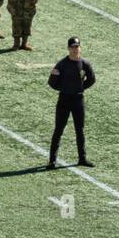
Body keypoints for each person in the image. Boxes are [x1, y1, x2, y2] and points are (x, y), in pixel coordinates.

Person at [47, 36, 96, 169]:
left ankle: (82, 158)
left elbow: (91, 79)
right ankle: (52, 160)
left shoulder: (85, 63)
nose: (75, 49)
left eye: (77, 47)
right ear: (68, 48)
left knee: (80, 130)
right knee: (58, 130)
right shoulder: (62, 64)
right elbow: (52, 82)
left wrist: (80, 88)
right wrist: (65, 89)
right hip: (64, 99)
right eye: (73, 47)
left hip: (78, 99)